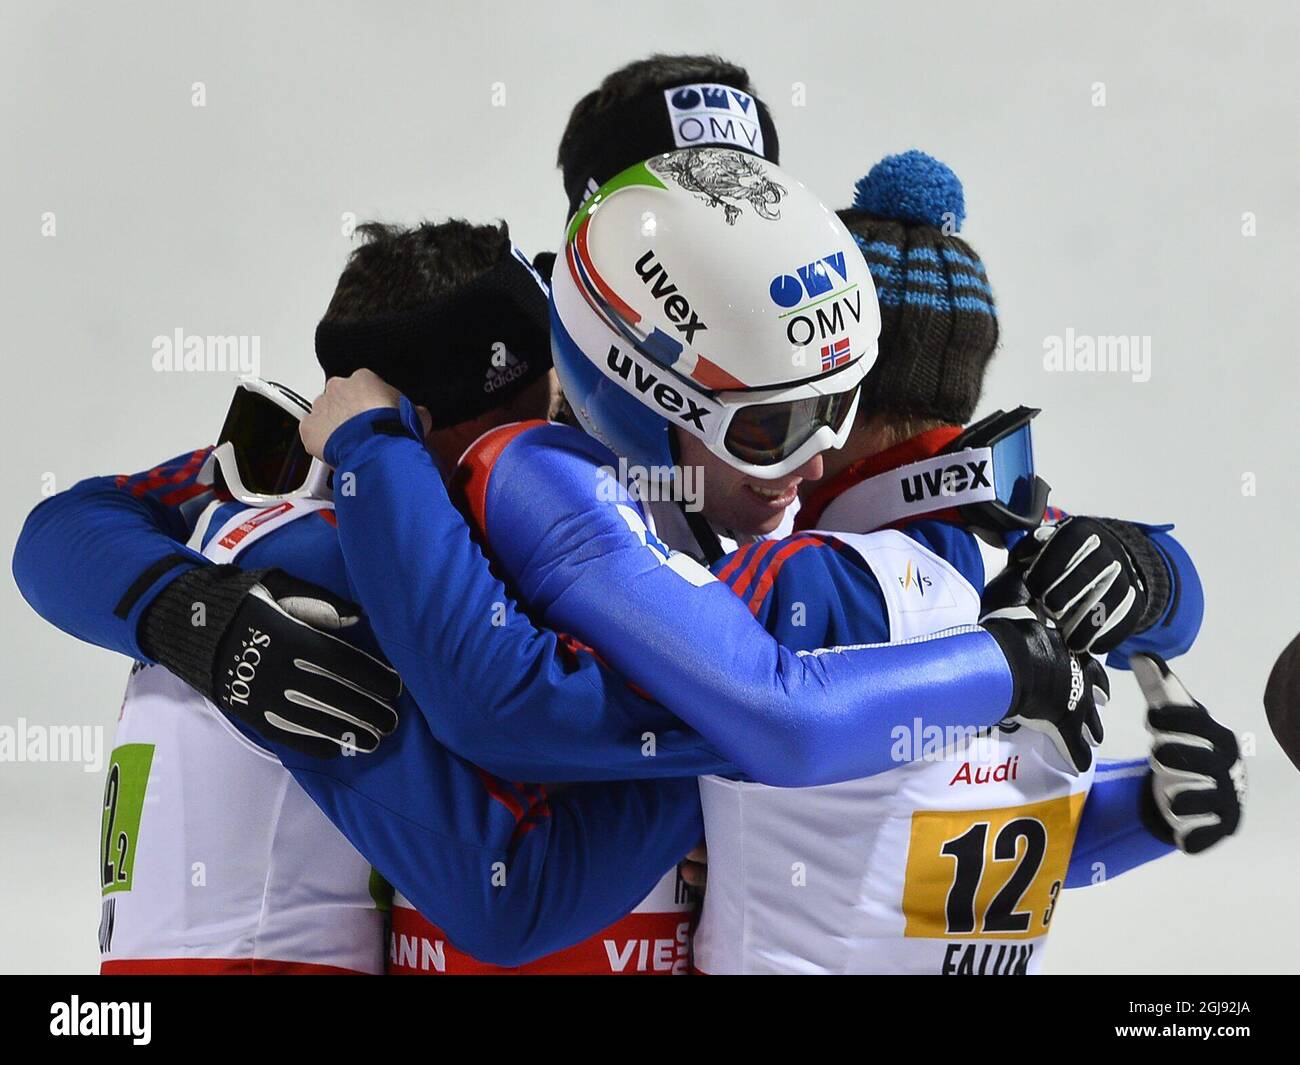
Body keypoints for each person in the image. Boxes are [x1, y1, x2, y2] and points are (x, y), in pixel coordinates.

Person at [14, 208, 1093, 975]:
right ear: (405, 434)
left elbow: (74, 530)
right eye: (533, 426)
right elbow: (62, 527)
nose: (561, 458)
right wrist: (196, 623)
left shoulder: (646, 536)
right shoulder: (327, 537)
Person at [291, 151, 1241, 973]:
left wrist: (1149, 584)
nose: (820, 456)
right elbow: (771, 725)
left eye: (840, 399)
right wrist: (1002, 670)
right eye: (778, 421)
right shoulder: (552, 481)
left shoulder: (889, 536)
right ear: (640, 396)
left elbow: (911, 831)